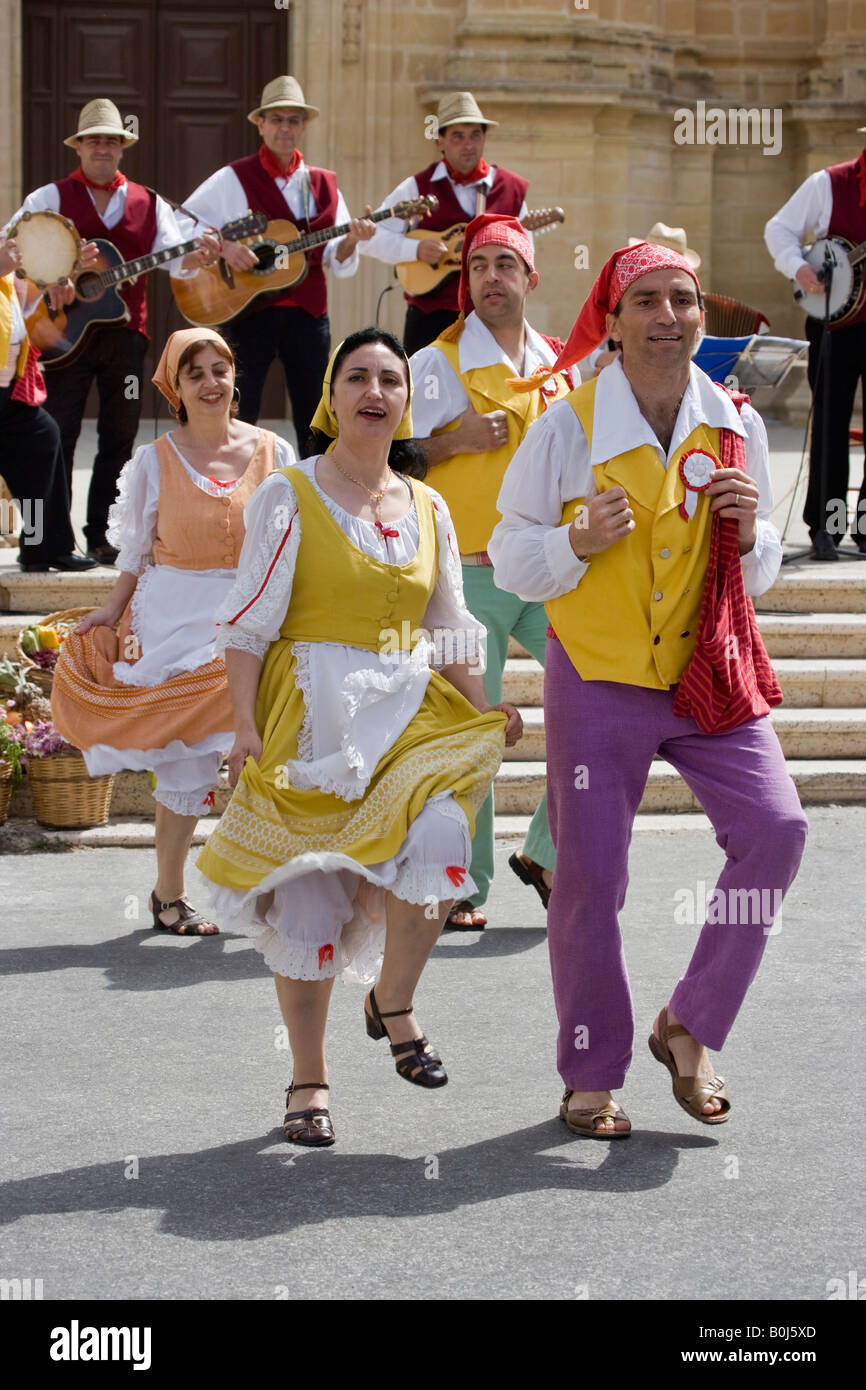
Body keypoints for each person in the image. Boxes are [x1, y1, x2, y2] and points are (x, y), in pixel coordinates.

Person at [489, 242, 808, 1138]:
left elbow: (766, 572)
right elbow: (509, 555)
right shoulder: (567, 425)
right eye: (648, 302)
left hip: (709, 672)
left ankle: (690, 1025)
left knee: (778, 830)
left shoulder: (735, 421)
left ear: (702, 318)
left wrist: (750, 539)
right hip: (598, 677)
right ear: (616, 322)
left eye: (684, 300)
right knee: (591, 878)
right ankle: (591, 1072)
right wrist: (573, 544)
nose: (669, 316)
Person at [196, 327, 521, 1145]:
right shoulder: (290, 493)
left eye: (391, 381)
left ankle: (394, 999)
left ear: (408, 403)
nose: (375, 392)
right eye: (358, 378)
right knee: (307, 898)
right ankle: (309, 1077)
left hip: (403, 713)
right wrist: (243, 728)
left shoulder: (431, 504)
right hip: (307, 715)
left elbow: (449, 626)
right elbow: (247, 624)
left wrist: (481, 706)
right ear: (331, 398)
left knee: (445, 837)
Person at [51, 328, 289, 934]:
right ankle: (168, 894)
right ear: (175, 388)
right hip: (178, 622)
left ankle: (268, 891)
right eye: (195, 374)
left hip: (257, 616)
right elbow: (134, 552)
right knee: (185, 767)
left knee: (266, 757)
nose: (211, 382)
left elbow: (293, 542)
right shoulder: (153, 461)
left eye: (220, 369)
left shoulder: (274, 452)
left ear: (235, 378)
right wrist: (110, 610)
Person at [409, 213, 573, 929]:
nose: (491, 278)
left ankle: (543, 851)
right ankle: (463, 888)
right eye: (478, 266)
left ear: (531, 278)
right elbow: (392, 456)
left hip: (547, 573)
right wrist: (456, 440)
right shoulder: (435, 363)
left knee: (602, 706)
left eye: (505, 265)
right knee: (474, 737)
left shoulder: (561, 363)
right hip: (467, 576)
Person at [6, 99, 217, 564]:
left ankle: (102, 537)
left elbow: (178, 260)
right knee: (53, 438)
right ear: (79, 147)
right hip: (62, 337)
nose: (103, 148)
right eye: (94, 140)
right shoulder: (49, 199)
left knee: (119, 437)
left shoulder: (149, 202)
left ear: (122, 149)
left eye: (112, 141)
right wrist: (49, 281)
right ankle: (43, 544)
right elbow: (11, 252)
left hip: (126, 336)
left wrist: (200, 255)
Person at [180, 75, 376, 450]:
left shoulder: (324, 184)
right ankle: (233, 496)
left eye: (293, 120)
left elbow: (337, 259)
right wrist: (223, 247)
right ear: (261, 124)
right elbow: (178, 224)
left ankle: (316, 497)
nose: (285, 128)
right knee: (240, 410)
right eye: (277, 119)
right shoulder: (232, 179)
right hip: (250, 312)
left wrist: (351, 240)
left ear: (303, 126)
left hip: (308, 315)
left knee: (317, 417)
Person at [361, 91, 531, 355]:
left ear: (485, 138)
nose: (468, 145)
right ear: (440, 141)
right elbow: (370, 238)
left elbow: (526, 259)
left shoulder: (510, 188)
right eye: (458, 136)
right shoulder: (416, 187)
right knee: (421, 392)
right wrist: (415, 250)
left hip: (491, 318)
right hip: (430, 317)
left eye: (475, 135)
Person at [764, 126, 866, 559]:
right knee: (829, 425)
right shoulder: (828, 183)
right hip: (835, 323)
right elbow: (779, 230)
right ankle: (825, 528)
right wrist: (798, 267)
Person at [0, 242, 95, 571]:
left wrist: (55, 276)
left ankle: (42, 547)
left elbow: (23, 301)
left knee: (42, 440)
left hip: (8, 388)